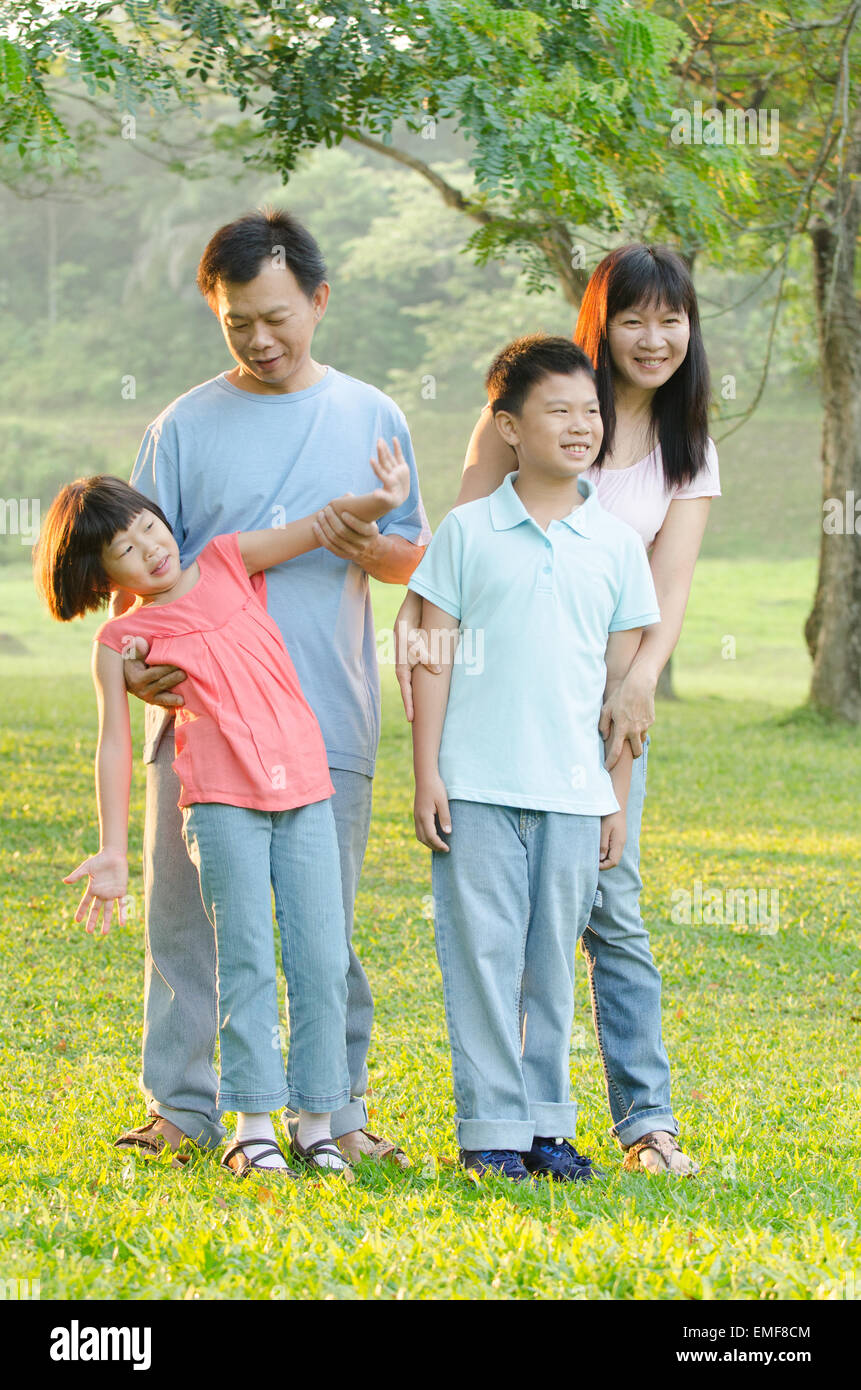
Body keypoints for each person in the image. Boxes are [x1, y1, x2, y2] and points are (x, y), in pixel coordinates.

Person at [109, 208, 430, 1166]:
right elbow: (130, 566)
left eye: (278, 316)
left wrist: (367, 543)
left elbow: (413, 556)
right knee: (188, 922)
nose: (261, 338)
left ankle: (336, 1111)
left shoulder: (372, 414)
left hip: (324, 714)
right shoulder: (181, 426)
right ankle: (184, 1107)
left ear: (319, 302)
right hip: (201, 727)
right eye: (237, 320)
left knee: (320, 927)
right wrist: (137, 672)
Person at [395, 244, 720, 1175]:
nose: (652, 338)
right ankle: (503, 1126)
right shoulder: (533, 408)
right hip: (494, 722)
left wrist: (635, 690)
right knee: (495, 934)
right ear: (599, 322)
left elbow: (666, 584)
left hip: (605, 714)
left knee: (608, 909)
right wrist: (423, 701)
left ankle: (640, 1117)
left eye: (671, 319)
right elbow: (453, 562)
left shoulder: (687, 445)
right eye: (632, 318)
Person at [35, 447, 412, 1178]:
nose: (150, 548)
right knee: (242, 959)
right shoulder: (120, 640)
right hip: (221, 803)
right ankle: (252, 1123)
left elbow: (316, 527)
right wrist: (114, 853)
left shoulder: (228, 559)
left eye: (148, 528)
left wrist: (380, 498)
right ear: (102, 576)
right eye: (124, 549)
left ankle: (316, 1122)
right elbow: (115, 746)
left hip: (304, 788)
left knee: (320, 959)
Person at [408, 335, 661, 1181]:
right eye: (557, 411)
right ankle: (489, 1129)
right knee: (480, 959)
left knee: (551, 965)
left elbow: (622, 694)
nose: (580, 425)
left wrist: (612, 799)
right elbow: (429, 655)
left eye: (590, 410)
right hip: (474, 786)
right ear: (509, 427)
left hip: (570, 792)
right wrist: (427, 773)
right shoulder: (467, 532)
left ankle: (546, 1123)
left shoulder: (616, 546)